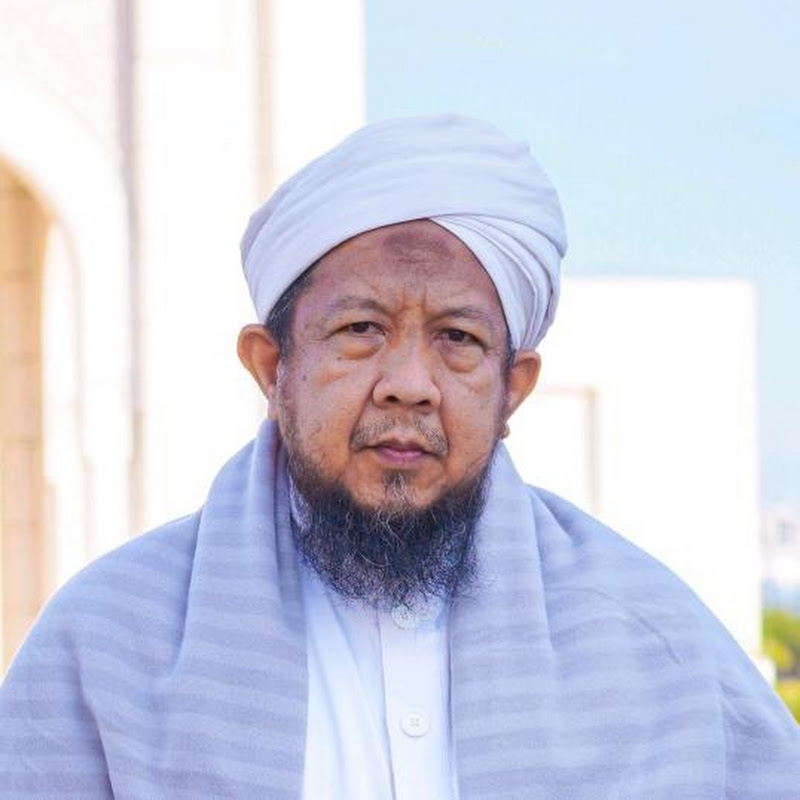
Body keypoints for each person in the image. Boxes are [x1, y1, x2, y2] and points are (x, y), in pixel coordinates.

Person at [1, 115, 798, 799]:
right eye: (361, 329)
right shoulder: (108, 642)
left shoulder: (655, 647)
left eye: (458, 338)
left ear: (512, 389)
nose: (409, 384)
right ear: (272, 368)